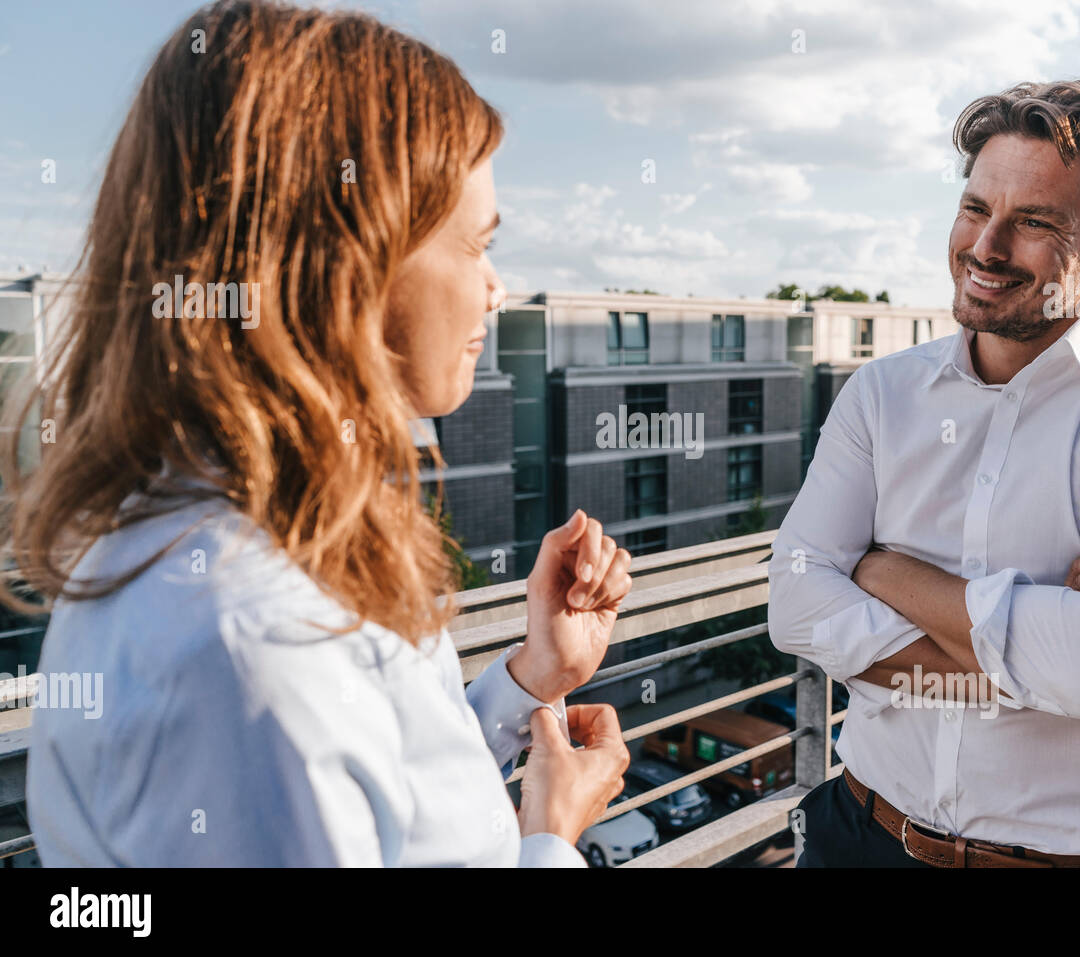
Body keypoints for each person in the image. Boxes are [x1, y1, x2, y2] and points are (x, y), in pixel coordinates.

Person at [3, 0, 631, 866]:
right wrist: (551, 836)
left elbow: (378, 802)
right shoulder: (252, 644)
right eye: (475, 245)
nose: (495, 290)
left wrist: (528, 684)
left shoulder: (254, 557)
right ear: (351, 264)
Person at [769, 79, 1080, 868]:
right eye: (974, 209)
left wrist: (883, 572)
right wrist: (1030, 652)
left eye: (1031, 222)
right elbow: (794, 603)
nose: (985, 249)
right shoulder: (880, 395)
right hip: (862, 835)